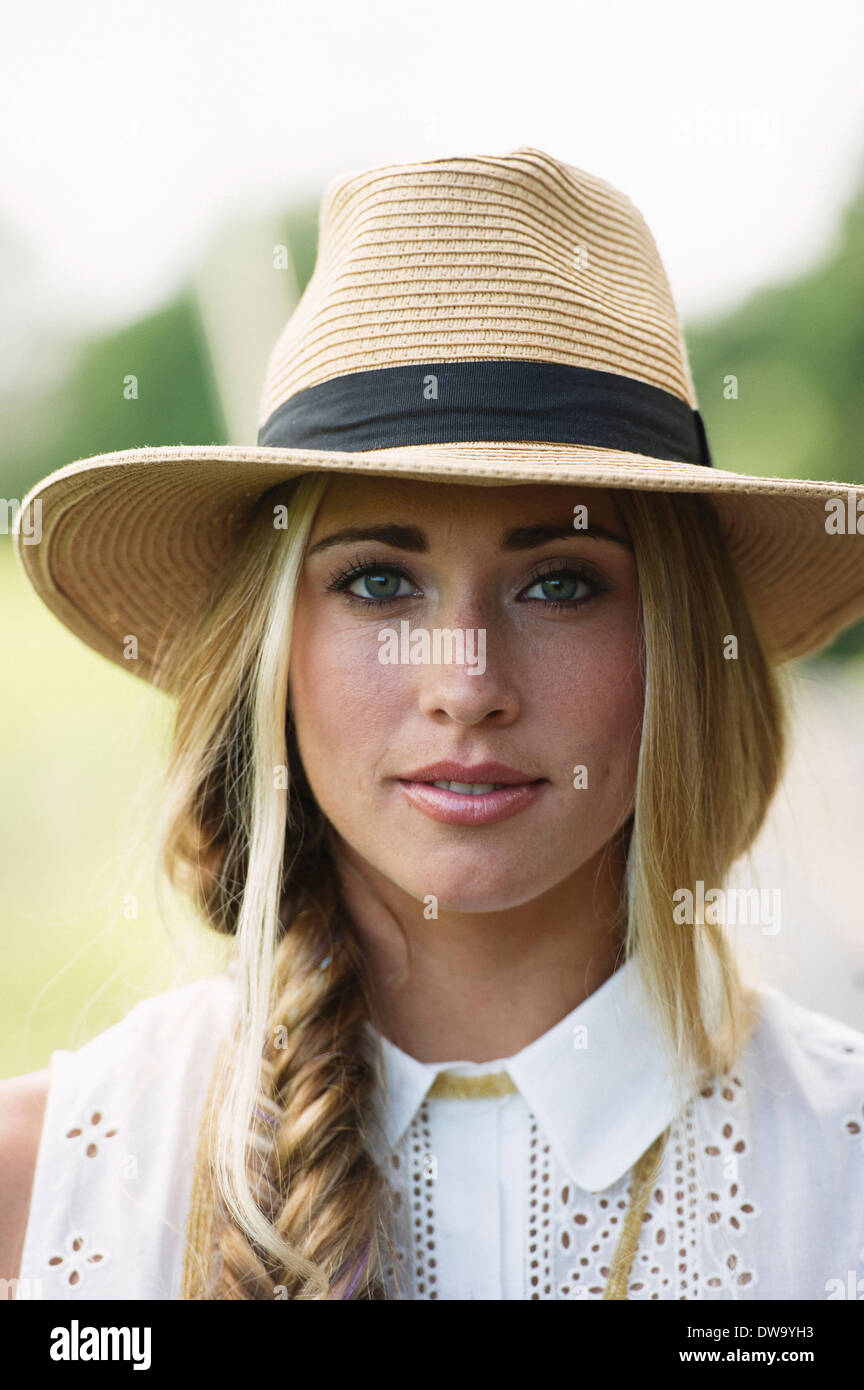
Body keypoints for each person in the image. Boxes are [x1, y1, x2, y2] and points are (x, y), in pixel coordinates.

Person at [3, 147, 864, 1302]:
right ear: (273, 655)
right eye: (375, 582)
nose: (465, 684)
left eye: (559, 582)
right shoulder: (41, 1191)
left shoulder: (839, 1171)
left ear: (679, 649)